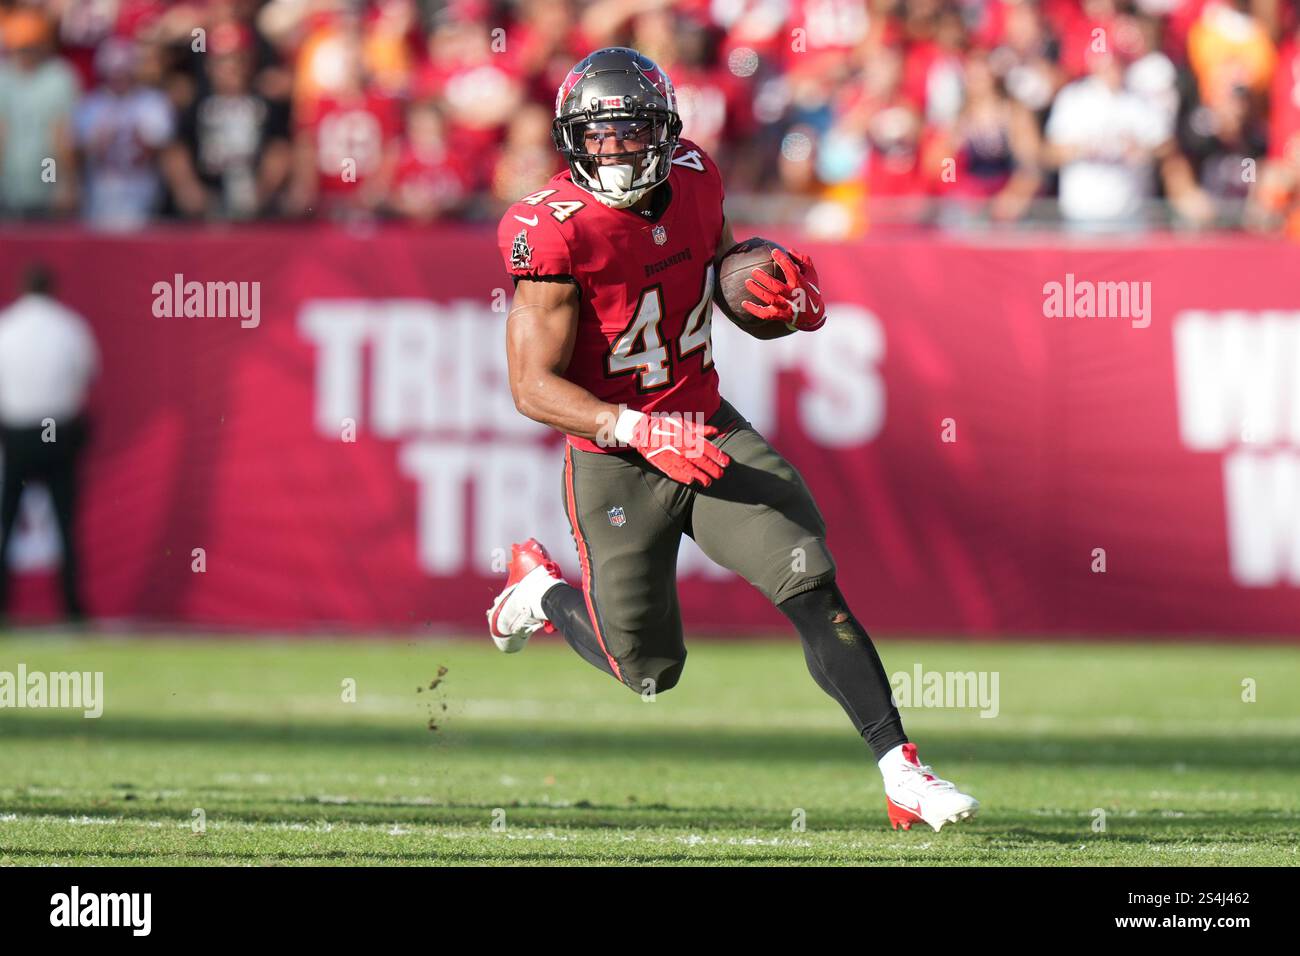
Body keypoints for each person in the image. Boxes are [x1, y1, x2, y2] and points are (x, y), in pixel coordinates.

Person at [489, 47, 979, 832]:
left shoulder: (695, 177)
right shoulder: (550, 232)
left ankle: (901, 769)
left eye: (630, 132)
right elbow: (532, 387)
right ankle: (539, 593)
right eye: (600, 136)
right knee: (648, 672)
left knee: (809, 578)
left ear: (664, 132)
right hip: (616, 461)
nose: (615, 150)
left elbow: (722, 274)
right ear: (572, 140)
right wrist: (638, 429)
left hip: (707, 428)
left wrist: (774, 294)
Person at [0, 264, 99, 621]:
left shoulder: (7, 327)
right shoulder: (69, 327)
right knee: (64, 522)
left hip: (18, 433)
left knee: (6, 522)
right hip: (54, 430)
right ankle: (72, 609)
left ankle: (3, 606)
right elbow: (87, 374)